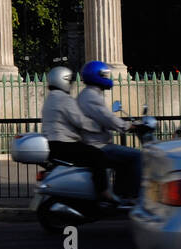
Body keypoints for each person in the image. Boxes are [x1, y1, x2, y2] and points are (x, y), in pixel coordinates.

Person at [40, 66, 119, 206]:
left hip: (52, 143)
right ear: (63, 81)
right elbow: (80, 121)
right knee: (98, 156)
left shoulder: (50, 98)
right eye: (69, 81)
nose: (71, 84)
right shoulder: (64, 99)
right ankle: (103, 191)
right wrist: (99, 126)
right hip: (64, 143)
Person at [76, 61, 142, 199]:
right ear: (96, 76)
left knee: (123, 161)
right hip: (98, 146)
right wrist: (128, 126)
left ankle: (120, 195)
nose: (108, 78)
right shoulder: (91, 96)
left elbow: (105, 117)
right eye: (105, 75)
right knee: (137, 156)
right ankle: (131, 196)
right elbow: (107, 117)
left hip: (96, 142)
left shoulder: (90, 94)